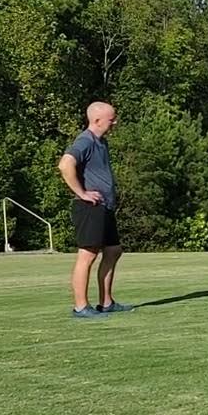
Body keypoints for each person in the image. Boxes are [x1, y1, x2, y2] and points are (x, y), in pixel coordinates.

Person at [58, 101, 128, 319]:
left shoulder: (101, 143)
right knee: (87, 255)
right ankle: (81, 307)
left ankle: (106, 303)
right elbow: (65, 164)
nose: (115, 122)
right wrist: (82, 193)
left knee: (114, 250)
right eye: (111, 119)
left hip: (104, 207)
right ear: (97, 120)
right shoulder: (85, 140)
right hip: (90, 207)